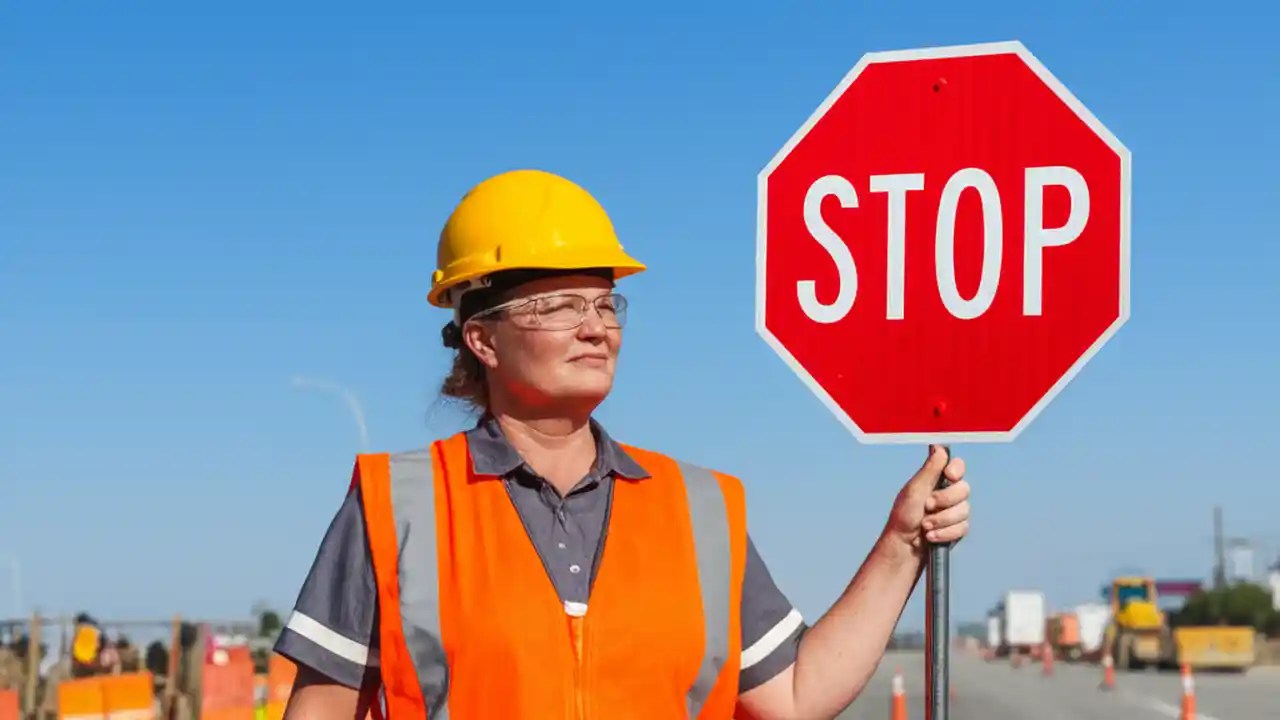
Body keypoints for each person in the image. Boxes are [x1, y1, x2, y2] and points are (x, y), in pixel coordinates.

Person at [275, 169, 971, 720]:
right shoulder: (397, 503)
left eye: (606, 305)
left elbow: (792, 695)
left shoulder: (698, 508)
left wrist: (901, 543)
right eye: (558, 306)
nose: (595, 327)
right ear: (482, 339)